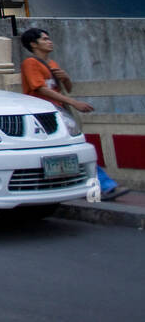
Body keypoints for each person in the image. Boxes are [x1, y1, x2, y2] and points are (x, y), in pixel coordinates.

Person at [20, 28, 125, 200]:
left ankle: (99, 186)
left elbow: (67, 88)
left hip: (58, 114)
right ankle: (102, 186)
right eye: (44, 39)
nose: (49, 41)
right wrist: (74, 103)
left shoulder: (52, 64)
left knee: (71, 150)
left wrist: (66, 77)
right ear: (34, 44)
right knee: (73, 149)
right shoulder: (31, 63)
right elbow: (40, 89)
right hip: (44, 115)